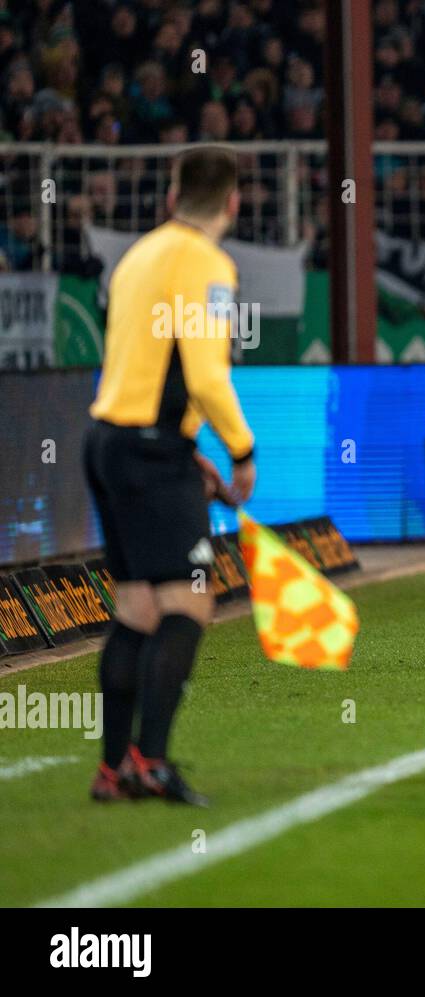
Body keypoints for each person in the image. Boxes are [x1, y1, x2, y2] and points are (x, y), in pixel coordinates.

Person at [83, 146, 255, 805]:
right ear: (233, 201)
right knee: (188, 603)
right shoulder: (209, 264)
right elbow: (208, 374)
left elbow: (143, 363)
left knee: (137, 605)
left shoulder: (139, 255)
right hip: (151, 451)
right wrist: (242, 450)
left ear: (172, 193)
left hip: (109, 440)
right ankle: (150, 761)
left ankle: (111, 770)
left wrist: (185, 448)